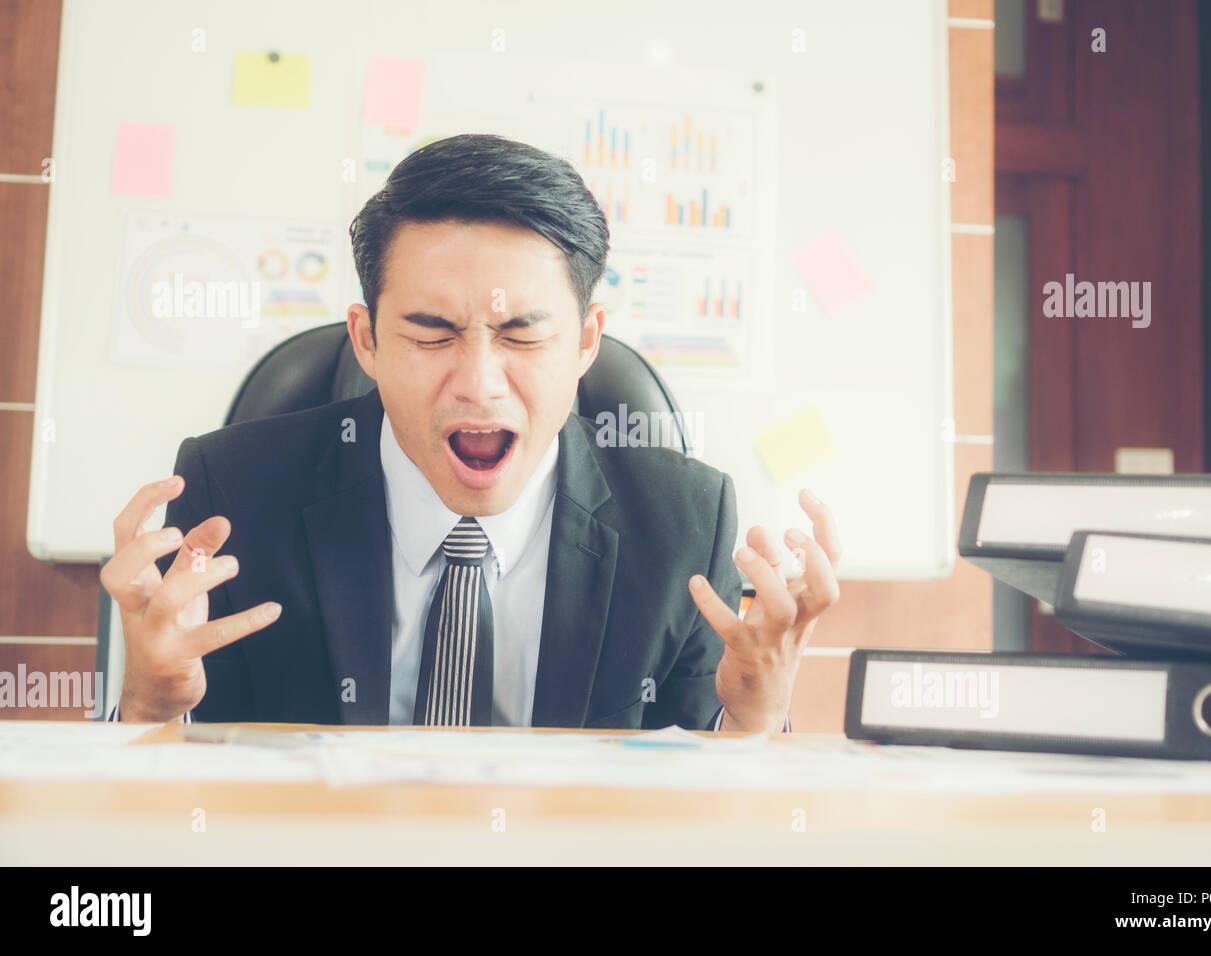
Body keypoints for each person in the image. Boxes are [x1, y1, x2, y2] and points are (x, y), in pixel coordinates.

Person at [100, 134, 840, 731]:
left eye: (521, 336)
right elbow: (176, 803)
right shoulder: (234, 492)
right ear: (366, 341)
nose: (479, 382)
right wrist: (150, 707)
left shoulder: (683, 520)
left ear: (586, 343)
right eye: (431, 334)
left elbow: (702, 821)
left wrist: (755, 716)